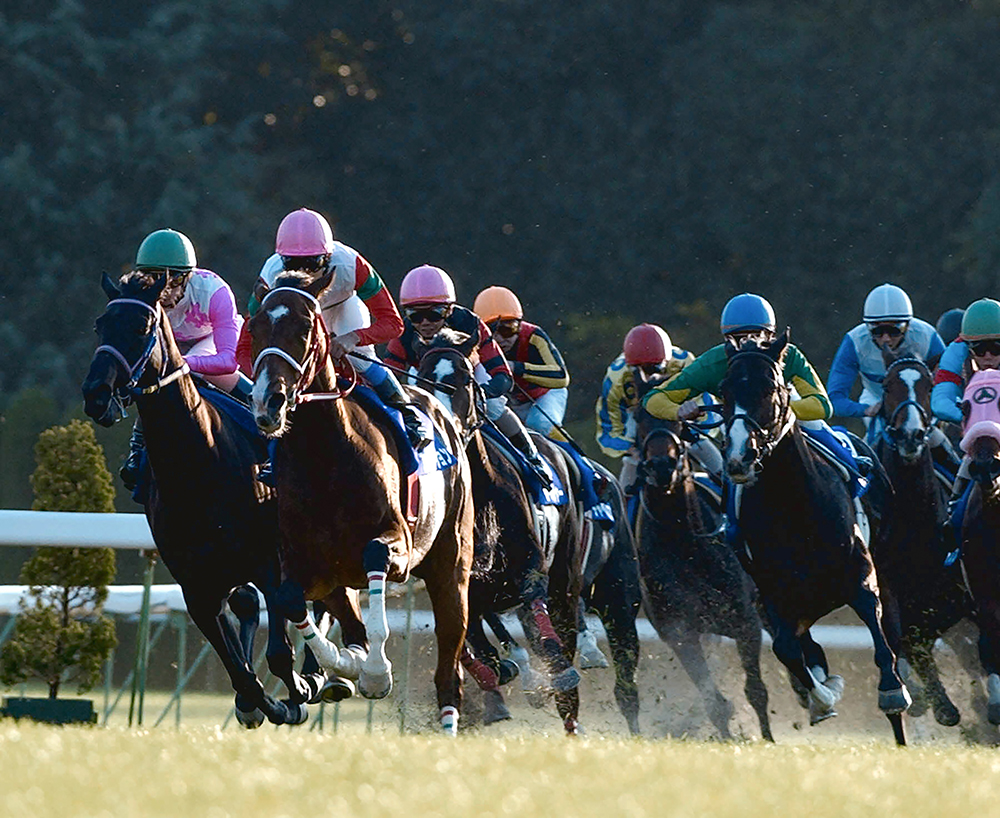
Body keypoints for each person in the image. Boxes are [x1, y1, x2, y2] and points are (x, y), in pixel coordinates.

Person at [238, 208, 427, 450]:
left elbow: (393, 323)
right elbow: (243, 347)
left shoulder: (351, 263)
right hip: (295, 317)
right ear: (281, 259)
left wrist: (354, 338)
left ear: (328, 256)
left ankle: (409, 415)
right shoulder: (269, 274)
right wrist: (265, 377)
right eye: (292, 264)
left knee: (360, 359)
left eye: (312, 263)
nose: (303, 272)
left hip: (343, 309)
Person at [385, 264, 552, 485]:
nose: (425, 323)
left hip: (469, 372)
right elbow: (390, 375)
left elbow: (503, 376)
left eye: (434, 314)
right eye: (415, 316)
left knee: (494, 406)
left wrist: (480, 392)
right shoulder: (402, 332)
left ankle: (533, 458)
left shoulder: (471, 323)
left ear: (449, 310)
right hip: (425, 375)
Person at [120, 228, 249, 489]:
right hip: (174, 345)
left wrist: (181, 365)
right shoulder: (139, 294)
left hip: (210, 341)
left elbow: (228, 361)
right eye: (153, 278)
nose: (163, 290)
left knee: (194, 368)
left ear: (188, 276)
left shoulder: (214, 291)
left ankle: (262, 417)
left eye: (173, 279)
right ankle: (137, 449)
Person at [595, 323, 721, 492]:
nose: (649, 376)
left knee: (703, 447)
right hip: (638, 415)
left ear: (667, 361)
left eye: (655, 368)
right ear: (629, 365)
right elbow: (609, 426)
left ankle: (727, 485)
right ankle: (624, 502)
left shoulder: (685, 363)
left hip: (677, 411)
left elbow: (706, 405)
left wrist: (692, 434)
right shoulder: (616, 377)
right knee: (630, 464)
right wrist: (631, 449)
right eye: (640, 369)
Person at [827, 283, 948, 450]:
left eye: (894, 330)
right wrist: (865, 410)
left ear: (908, 326)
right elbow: (835, 399)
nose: (886, 339)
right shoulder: (854, 342)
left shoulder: (927, 336)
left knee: (938, 441)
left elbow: (948, 383)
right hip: (875, 400)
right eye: (877, 331)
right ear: (867, 327)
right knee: (870, 447)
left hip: (920, 405)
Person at [472, 285, 569, 437]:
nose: (500, 339)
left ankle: (571, 453)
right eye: (491, 332)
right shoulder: (477, 344)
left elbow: (561, 377)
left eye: (508, 329)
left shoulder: (533, 336)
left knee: (539, 424)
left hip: (543, 396)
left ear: (520, 325)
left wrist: (516, 368)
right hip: (510, 402)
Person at [932, 298, 1000, 512]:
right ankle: (953, 510)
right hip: (979, 439)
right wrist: (964, 414)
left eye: (996, 348)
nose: (988, 356)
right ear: (968, 347)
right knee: (967, 469)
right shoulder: (956, 352)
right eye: (980, 349)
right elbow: (940, 399)